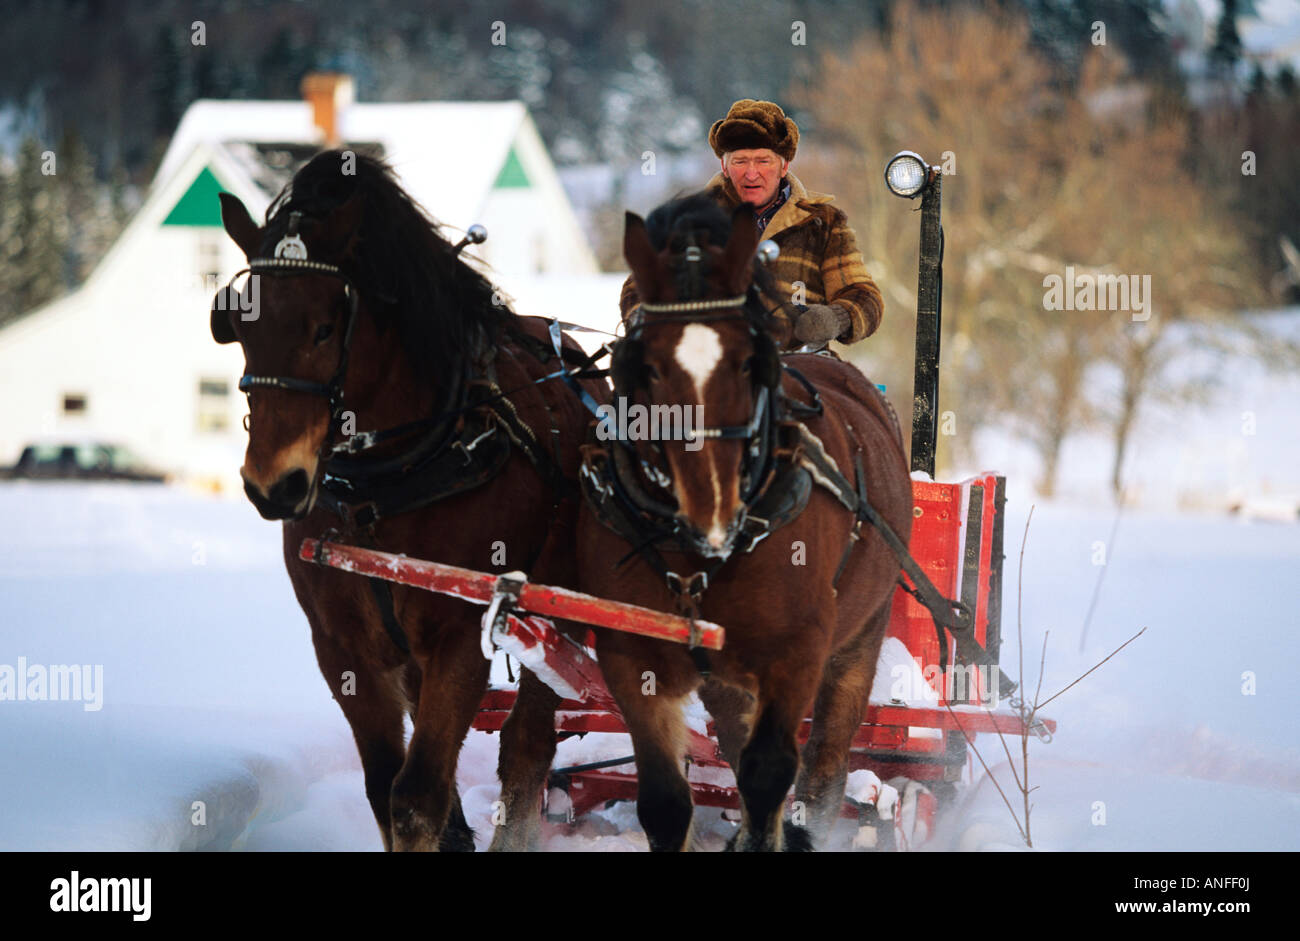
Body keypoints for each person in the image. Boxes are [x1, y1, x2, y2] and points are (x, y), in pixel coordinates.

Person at [620, 98, 884, 348]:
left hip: (801, 368)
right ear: (725, 167)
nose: (751, 172)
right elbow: (638, 288)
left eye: (763, 161)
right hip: (709, 368)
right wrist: (645, 319)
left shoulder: (823, 223)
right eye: (740, 161)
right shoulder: (687, 221)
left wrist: (834, 319)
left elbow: (864, 295)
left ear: (784, 167)